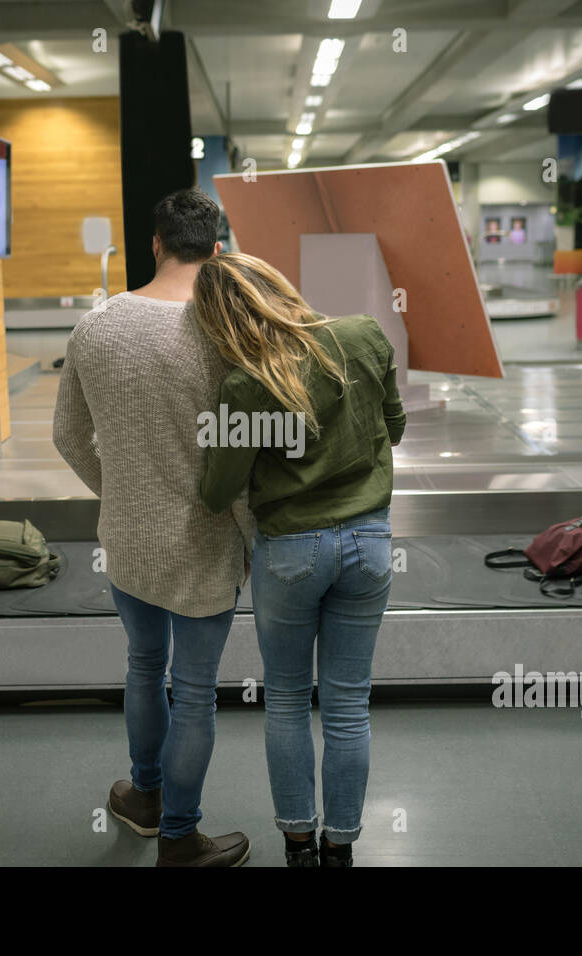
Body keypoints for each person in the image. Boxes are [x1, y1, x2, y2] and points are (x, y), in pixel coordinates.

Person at [53, 188, 254, 867]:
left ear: (156, 244)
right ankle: (180, 838)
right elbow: (245, 446)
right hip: (205, 540)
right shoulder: (228, 331)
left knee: (143, 665)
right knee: (193, 692)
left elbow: (68, 435)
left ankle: (143, 797)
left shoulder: (96, 326)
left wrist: (119, 494)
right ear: (218, 251)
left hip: (127, 541)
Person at [192, 253, 406, 867]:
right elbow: (394, 427)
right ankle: (341, 848)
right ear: (280, 286)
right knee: (347, 703)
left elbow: (214, 494)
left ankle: (298, 845)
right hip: (367, 545)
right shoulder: (363, 334)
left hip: (289, 553)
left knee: (286, 699)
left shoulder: (244, 383)